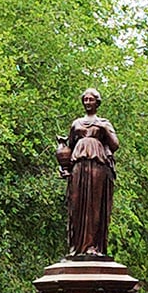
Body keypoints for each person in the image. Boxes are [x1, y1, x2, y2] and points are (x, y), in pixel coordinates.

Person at [58, 88, 119, 256]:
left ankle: (93, 246)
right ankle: (77, 247)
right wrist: (64, 168)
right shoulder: (76, 124)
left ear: (97, 102)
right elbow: (68, 147)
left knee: (94, 204)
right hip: (78, 165)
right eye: (85, 100)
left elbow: (114, 145)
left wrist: (103, 128)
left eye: (91, 100)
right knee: (77, 204)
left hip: (98, 165)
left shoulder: (104, 123)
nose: (87, 103)